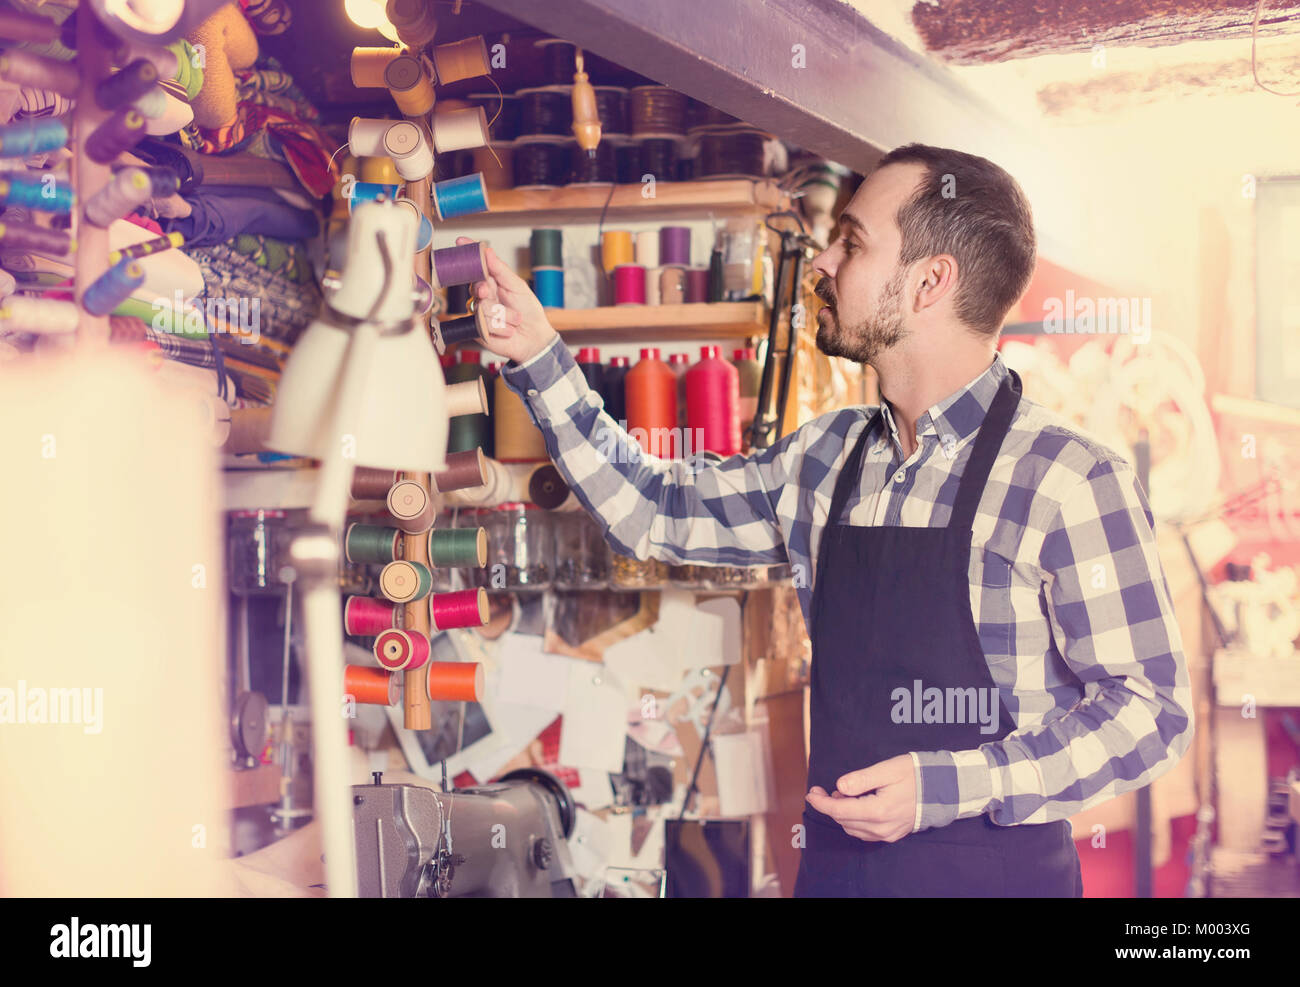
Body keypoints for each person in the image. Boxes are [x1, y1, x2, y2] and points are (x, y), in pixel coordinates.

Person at [461, 143, 1192, 898]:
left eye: (852, 241)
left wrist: (948, 784)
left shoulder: (1070, 479)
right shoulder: (827, 458)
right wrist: (539, 356)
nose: (821, 262)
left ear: (930, 282)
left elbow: (1151, 714)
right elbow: (651, 510)